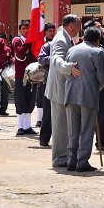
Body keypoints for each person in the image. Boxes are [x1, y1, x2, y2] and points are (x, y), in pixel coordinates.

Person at [64, 26, 104, 172]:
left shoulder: (72, 50)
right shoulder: (97, 51)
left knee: (73, 130)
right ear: (97, 39)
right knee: (86, 129)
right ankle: (82, 161)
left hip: (71, 93)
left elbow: (67, 71)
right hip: (88, 94)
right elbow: (102, 77)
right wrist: (96, 88)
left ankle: (71, 160)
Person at [44, 14, 82, 169]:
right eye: (78, 26)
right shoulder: (61, 39)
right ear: (71, 25)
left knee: (65, 125)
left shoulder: (65, 37)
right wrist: (68, 68)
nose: (80, 29)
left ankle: (65, 156)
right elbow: (56, 59)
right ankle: (60, 158)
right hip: (59, 88)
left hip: (62, 88)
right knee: (60, 126)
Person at [12, 20, 38, 136]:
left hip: (32, 75)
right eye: (23, 29)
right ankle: (20, 126)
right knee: (20, 99)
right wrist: (28, 43)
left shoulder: (33, 41)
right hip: (20, 75)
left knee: (30, 99)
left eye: (28, 28)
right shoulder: (17, 40)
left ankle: (27, 126)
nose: (26, 31)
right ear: (20, 30)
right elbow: (20, 53)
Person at [37, 23, 57, 147]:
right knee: (48, 113)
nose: (52, 33)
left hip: (59, 82)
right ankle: (44, 139)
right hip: (48, 82)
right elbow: (41, 59)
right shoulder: (46, 46)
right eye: (50, 31)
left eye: (53, 31)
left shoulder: (59, 45)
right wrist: (54, 59)